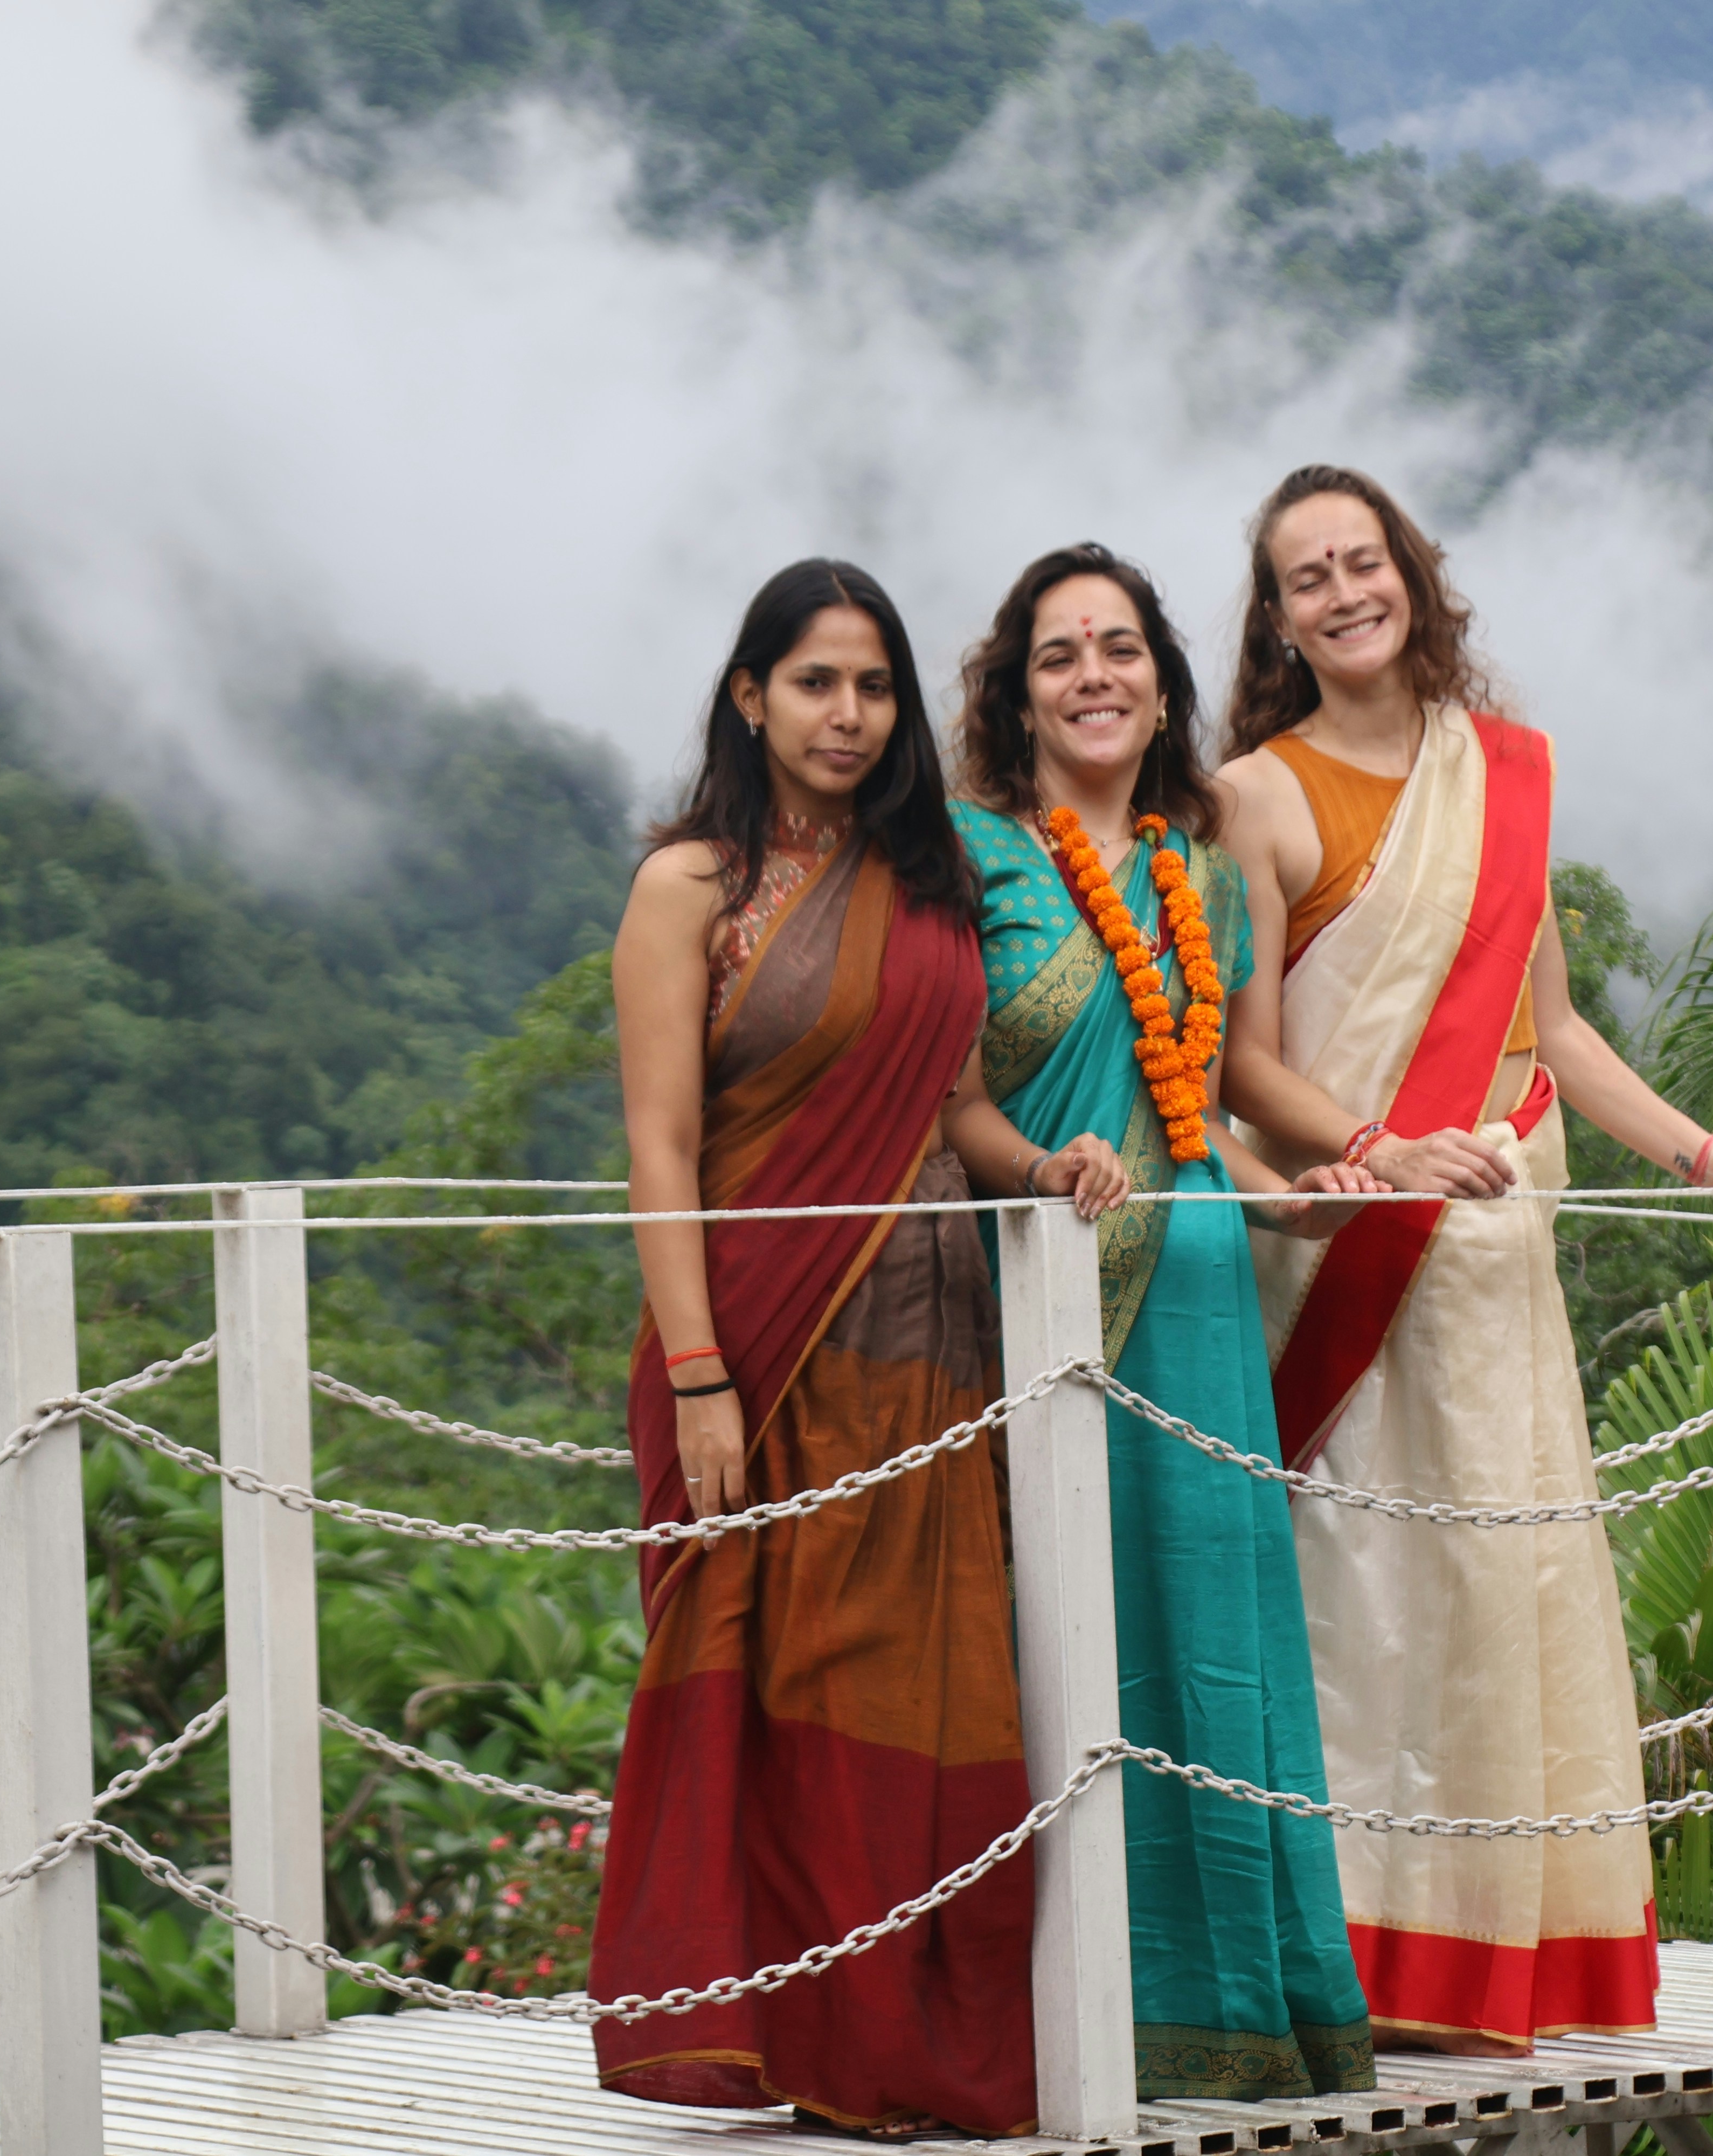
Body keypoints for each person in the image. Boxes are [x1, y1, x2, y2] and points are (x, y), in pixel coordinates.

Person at [1216, 467, 1713, 2056]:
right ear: (1280, 617)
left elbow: (1553, 1026)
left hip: (1496, 1263)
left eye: (1362, 561)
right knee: (1356, 1599)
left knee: (1499, 1586)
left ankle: (1494, 1959)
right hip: (1343, 1256)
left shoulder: (1504, 775)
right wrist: (1372, 1161)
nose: (1342, 592)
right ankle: (1351, 1957)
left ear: (1412, 577)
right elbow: (1246, 1066)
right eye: (1308, 578)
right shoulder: (1256, 793)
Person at [593, 558, 1034, 2137]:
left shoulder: (928, 884)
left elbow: (954, 1101)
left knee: (934, 1694)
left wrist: (1046, 1176)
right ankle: (811, 2046)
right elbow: (660, 1143)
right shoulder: (690, 891)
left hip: (929, 1344)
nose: (848, 717)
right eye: (816, 684)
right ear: (750, 696)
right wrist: (701, 1371)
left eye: (873, 687)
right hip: (761, 1347)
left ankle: (900, 2049)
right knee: (791, 1692)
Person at [939, 543, 1383, 2105]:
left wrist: (1287, 1194)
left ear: (1162, 679)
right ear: (1019, 691)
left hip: (1196, 1291)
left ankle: (1250, 2009)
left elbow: (1194, 1109)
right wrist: (1044, 1169)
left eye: (1120, 650)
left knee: (1219, 1652)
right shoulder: (974, 855)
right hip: (1053, 1286)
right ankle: (1087, 2014)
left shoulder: (1195, 872)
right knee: (1072, 1639)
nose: (1094, 678)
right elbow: (959, 1093)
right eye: (1060, 656)